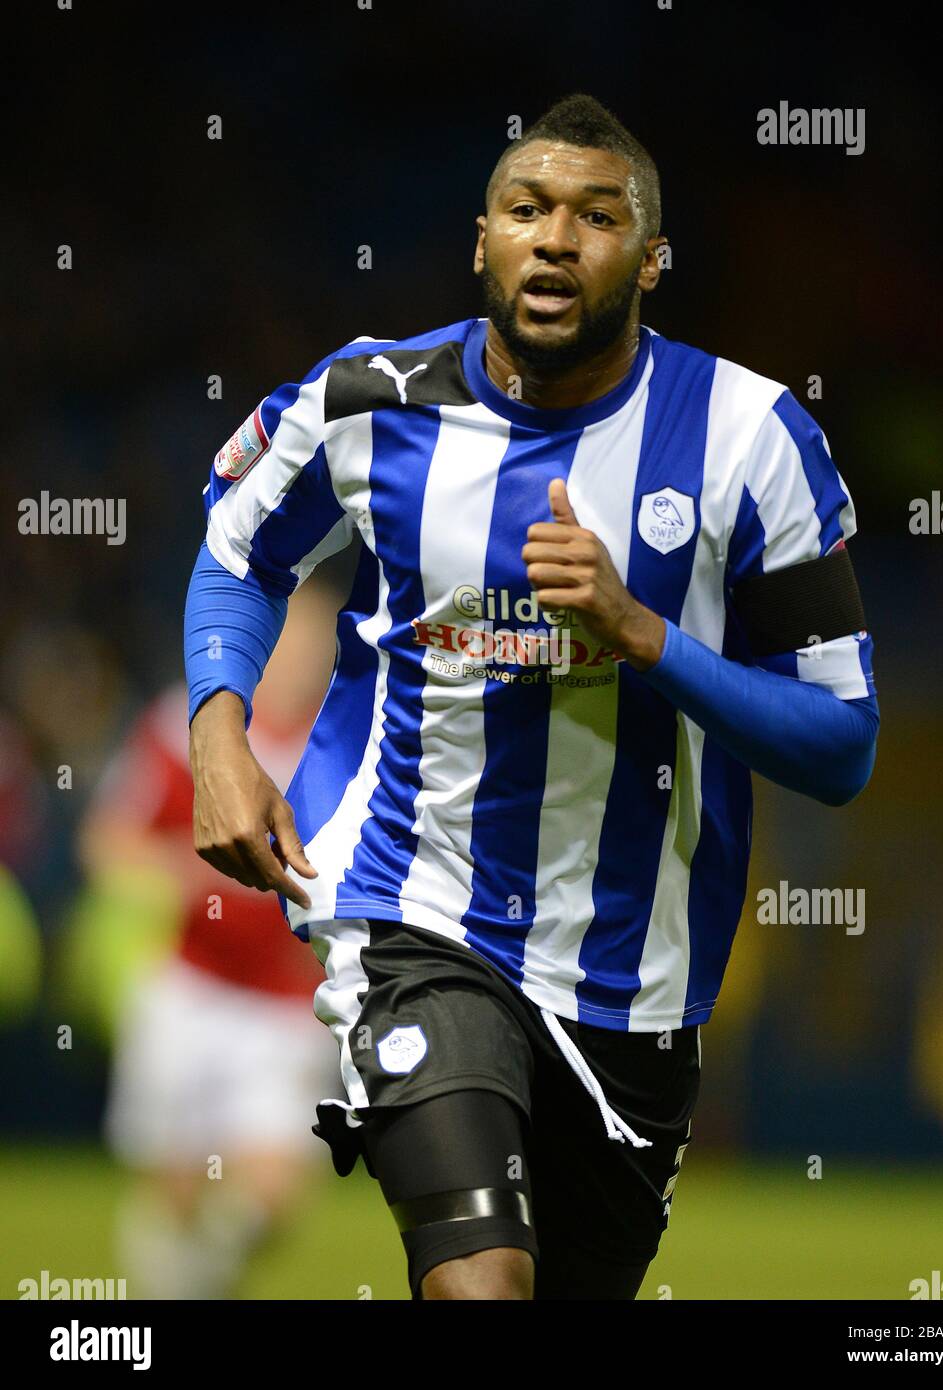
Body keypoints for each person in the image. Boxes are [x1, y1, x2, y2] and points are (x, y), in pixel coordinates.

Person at [184, 93, 879, 1301]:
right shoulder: (368, 399)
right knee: (480, 1283)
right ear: (482, 241)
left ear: (651, 260)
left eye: (597, 217)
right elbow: (241, 554)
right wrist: (218, 729)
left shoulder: (751, 438)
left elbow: (841, 742)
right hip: (413, 910)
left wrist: (644, 635)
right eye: (527, 209)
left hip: (634, 976)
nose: (555, 239)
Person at [81, 577, 344, 1299]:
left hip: (288, 1005)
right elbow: (107, 842)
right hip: (190, 990)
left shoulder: (343, 743)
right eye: (289, 639)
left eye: (316, 644)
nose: (302, 659)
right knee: (175, 1188)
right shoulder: (185, 726)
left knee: (272, 1198)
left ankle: (205, 1274)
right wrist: (181, 874)